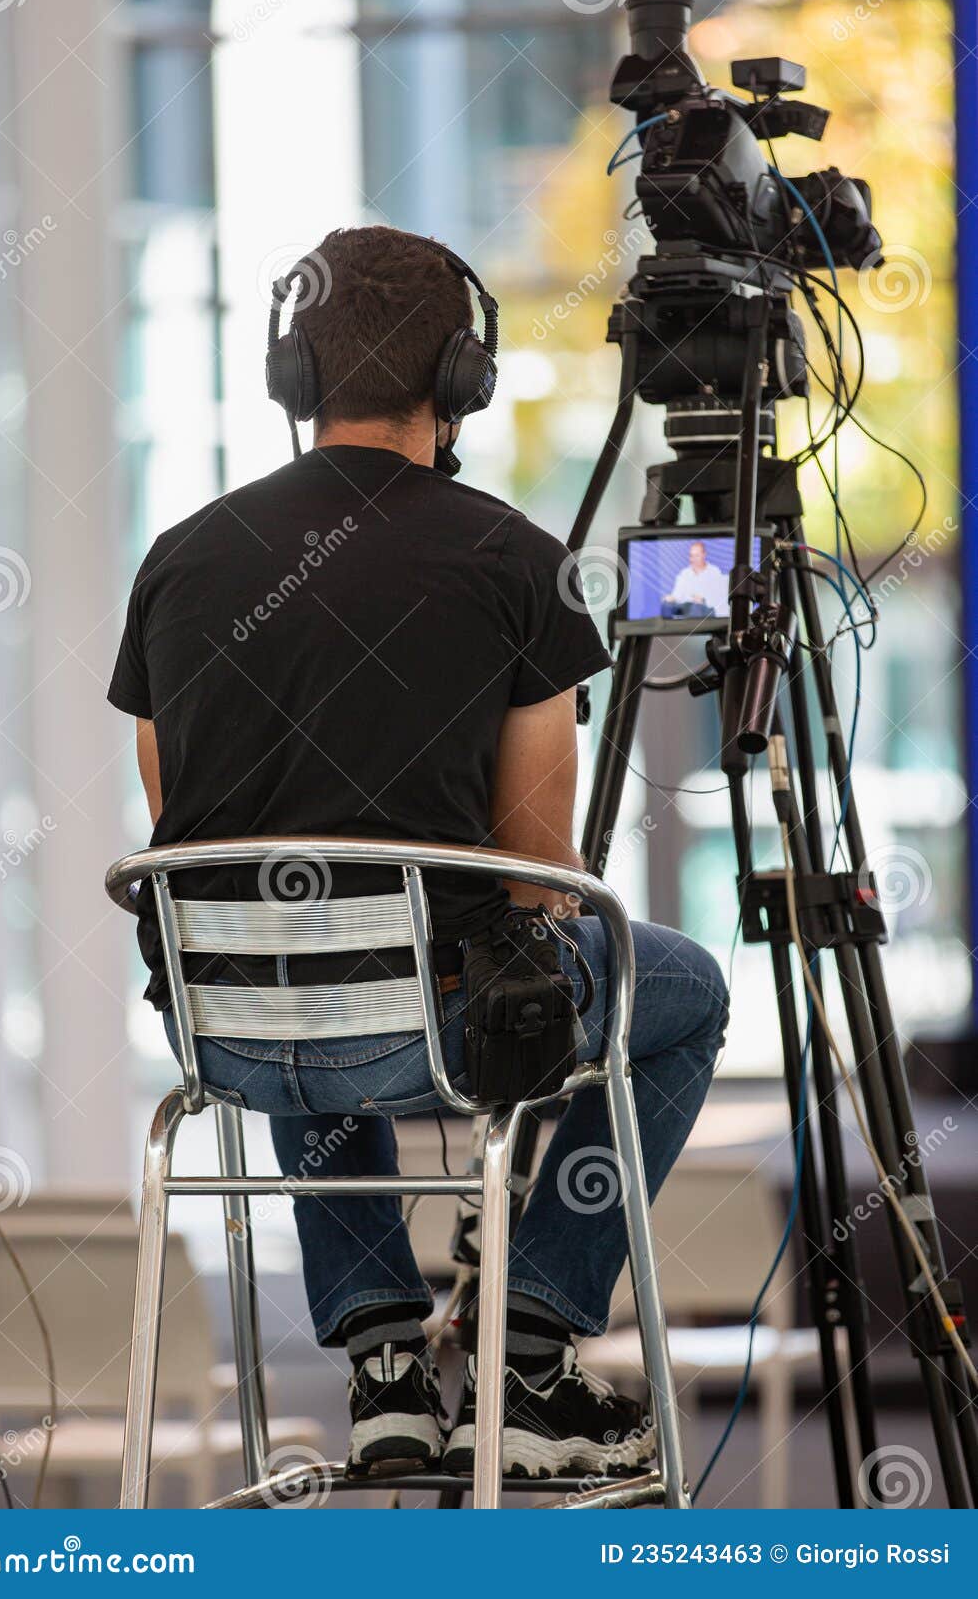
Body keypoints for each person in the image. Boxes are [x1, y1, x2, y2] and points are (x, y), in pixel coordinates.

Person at [108, 225, 729, 1481]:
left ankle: (384, 1366)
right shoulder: (512, 560)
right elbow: (534, 866)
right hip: (434, 1032)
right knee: (686, 992)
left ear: (296, 378)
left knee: (293, 938)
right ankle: (531, 1355)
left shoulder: (180, 558)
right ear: (460, 380)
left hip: (226, 1039)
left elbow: (193, 826)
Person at [667, 539, 729, 616]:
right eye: (691, 556)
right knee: (667, 606)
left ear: (704, 555)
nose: (693, 559)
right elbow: (677, 595)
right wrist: (671, 598)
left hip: (705, 609)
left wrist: (703, 600)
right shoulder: (684, 573)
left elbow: (719, 598)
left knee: (696, 608)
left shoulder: (714, 572)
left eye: (697, 556)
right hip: (687, 607)